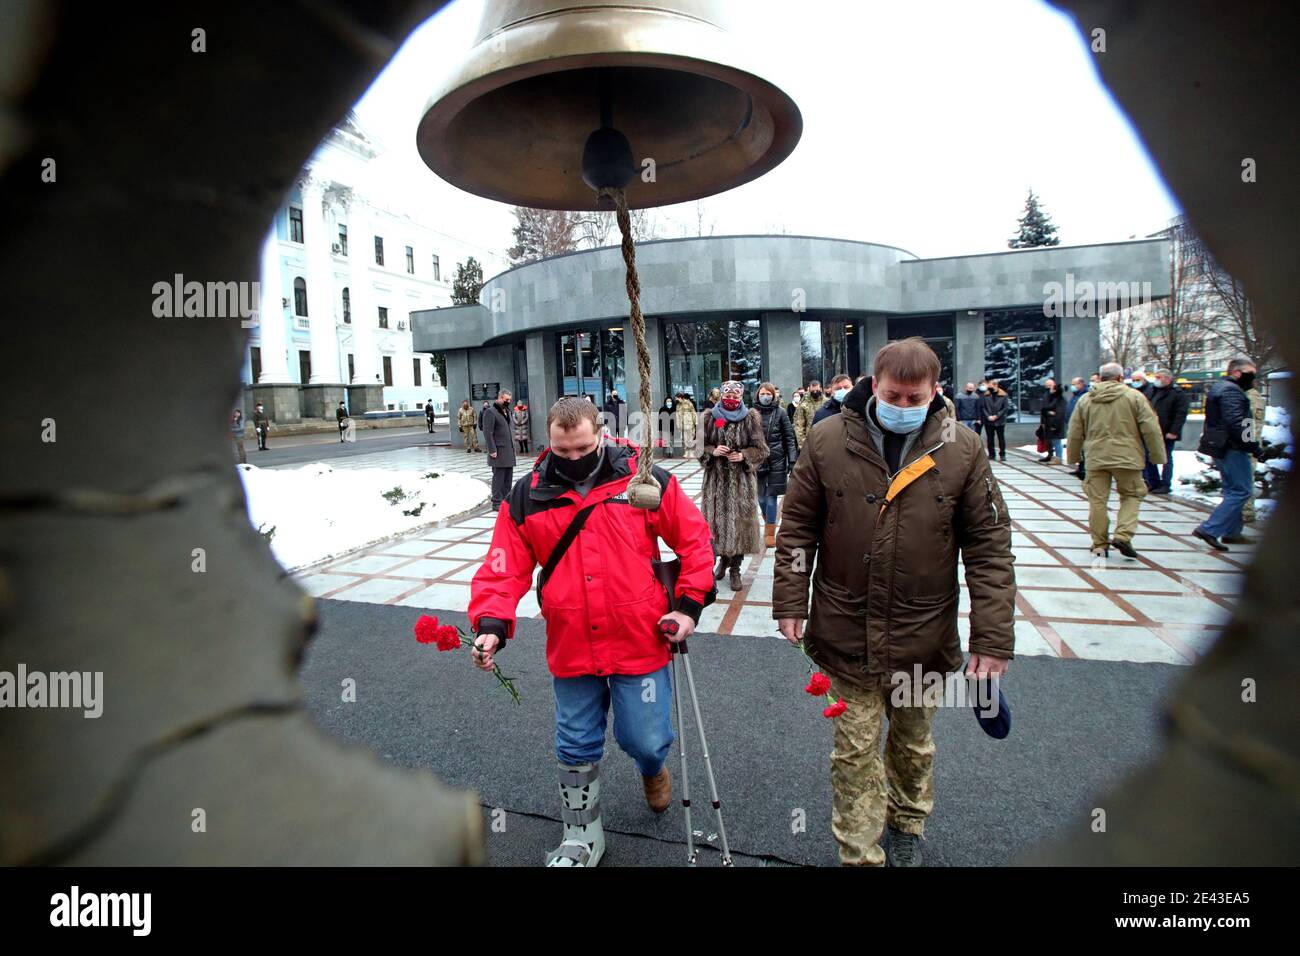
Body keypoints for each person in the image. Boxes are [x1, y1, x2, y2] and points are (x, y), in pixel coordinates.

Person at [774, 337, 1014, 867]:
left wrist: (993, 638)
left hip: (922, 635)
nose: (903, 407)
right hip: (845, 629)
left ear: (935, 392)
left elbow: (990, 548)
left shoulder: (964, 448)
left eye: (915, 398)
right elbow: (796, 530)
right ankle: (860, 855)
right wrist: (790, 600)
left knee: (912, 743)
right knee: (854, 751)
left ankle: (907, 821)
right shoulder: (827, 439)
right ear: (872, 386)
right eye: (893, 395)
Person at [468, 397, 716, 867]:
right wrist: (491, 626)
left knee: (645, 737)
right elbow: (502, 569)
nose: (575, 460)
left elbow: (695, 539)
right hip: (572, 640)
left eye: (584, 448)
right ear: (549, 442)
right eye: (563, 453)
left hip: (640, 635)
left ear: (600, 433)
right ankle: (581, 837)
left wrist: (688, 605)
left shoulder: (644, 480)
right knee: (575, 742)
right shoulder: (528, 495)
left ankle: (652, 766)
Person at [1065, 362, 1166, 558]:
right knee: (1132, 494)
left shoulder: (1086, 399)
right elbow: (1151, 428)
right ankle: (1123, 534)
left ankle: (1100, 543)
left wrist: (1074, 457)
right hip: (1127, 457)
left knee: (1097, 501)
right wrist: (1158, 456)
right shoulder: (1135, 397)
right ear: (1120, 378)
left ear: (1101, 378)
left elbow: (1075, 430)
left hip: (1096, 457)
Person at [700, 380, 769, 591]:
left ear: (741, 397)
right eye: (727, 396)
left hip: (741, 484)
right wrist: (712, 451)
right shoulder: (709, 417)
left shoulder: (751, 418)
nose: (731, 399)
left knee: (739, 526)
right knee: (716, 527)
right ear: (720, 396)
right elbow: (697, 446)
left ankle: (735, 569)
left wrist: (744, 455)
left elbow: (762, 450)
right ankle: (722, 560)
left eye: (735, 396)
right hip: (716, 483)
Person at [1193, 359, 1260, 550]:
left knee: (1233, 490)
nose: (1253, 377)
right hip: (1232, 447)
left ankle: (1232, 532)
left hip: (1222, 445)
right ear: (1237, 373)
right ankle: (1210, 529)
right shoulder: (1231, 391)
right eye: (1250, 372)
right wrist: (1253, 446)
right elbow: (1237, 422)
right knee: (1241, 491)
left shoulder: (1222, 388)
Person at [755, 381, 797, 548]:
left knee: (771, 497)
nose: (766, 396)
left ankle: (770, 532)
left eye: (769, 394)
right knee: (760, 497)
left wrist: (792, 459)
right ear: (758, 394)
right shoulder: (752, 413)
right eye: (763, 393)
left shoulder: (780, 413)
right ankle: (768, 522)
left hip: (777, 460)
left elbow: (789, 437)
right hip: (757, 460)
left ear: (774, 396)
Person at [1146, 370, 1190, 493]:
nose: (1156, 379)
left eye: (1159, 377)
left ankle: (1165, 484)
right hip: (1151, 430)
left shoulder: (1177, 394)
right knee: (1148, 457)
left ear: (1168, 379)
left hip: (1167, 431)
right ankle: (1153, 482)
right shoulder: (1152, 391)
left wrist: (1174, 431)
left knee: (1166, 458)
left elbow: (1180, 414)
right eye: (1156, 377)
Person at [483, 389, 517, 509]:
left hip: (508, 450)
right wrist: (492, 450)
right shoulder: (490, 412)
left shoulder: (507, 411)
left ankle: (506, 499)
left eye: (509, 400)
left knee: (508, 477)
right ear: (500, 398)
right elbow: (488, 433)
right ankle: (496, 501)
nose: (508, 402)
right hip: (498, 451)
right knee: (499, 477)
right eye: (506, 400)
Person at [1242, 380, 1266, 521]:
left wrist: (1248, 446)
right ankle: (1246, 511)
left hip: (1248, 447)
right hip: (1250, 445)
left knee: (1245, 479)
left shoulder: (1249, 397)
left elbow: (1248, 425)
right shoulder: (1254, 397)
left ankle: (1246, 511)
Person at [1037, 379, 1067, 464]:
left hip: (1055, 423)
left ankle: (1058, 458)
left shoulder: (1059, 398)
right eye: (1047, 386)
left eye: (1050, 386)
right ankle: (1051, 455)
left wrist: (1050, 414)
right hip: (1048, 422)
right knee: (1049, 440)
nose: (1048, 388)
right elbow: (1044, 410)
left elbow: (1059, 412)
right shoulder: (1047, 396)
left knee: (1056, 441)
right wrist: (1046, 416)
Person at [1065, 377, 1089, 478]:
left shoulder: (1085, 395)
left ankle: (1084, 469)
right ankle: (1080, 468)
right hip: (1074, 424)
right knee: (1078, 447)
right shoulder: (1076, 395)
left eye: (1075, 384)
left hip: (1082, 426)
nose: (1073, 387)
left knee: (1084, 448)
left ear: (1081, 384)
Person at [980, 380, 1009, 461]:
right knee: (990, 439)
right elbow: (983, 407)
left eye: (990, 385)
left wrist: (997, 416)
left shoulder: (1003, 395)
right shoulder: (986, 395)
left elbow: (1005, 408)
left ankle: (1002, 454)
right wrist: (988, 416)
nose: (989, 387)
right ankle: (991, 454)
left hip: (1000, 421)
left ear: (996, 386)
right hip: (988, 421)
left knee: (1001, 438)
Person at [792, 381, 826, 447]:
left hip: (825, 439)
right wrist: (802, 444)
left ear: (821, 389)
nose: (815, 392)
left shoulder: (827, 402)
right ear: (809, 390)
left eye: (817, 390)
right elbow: (799, 425)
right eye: (813, 391)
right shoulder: (804, 404)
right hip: (810, 440)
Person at [675, 392, 698, 458]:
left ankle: (691, 452)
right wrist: (678, 425)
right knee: (685, 439)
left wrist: (696, 422)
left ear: (680, 397)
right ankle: (686, 452)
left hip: (689, 423)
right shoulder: (678, 405)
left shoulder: (688, 403)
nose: (676, 400)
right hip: (682, 424)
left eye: (677, 398)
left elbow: (693, 412)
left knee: (690, 438)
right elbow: (677, 415)